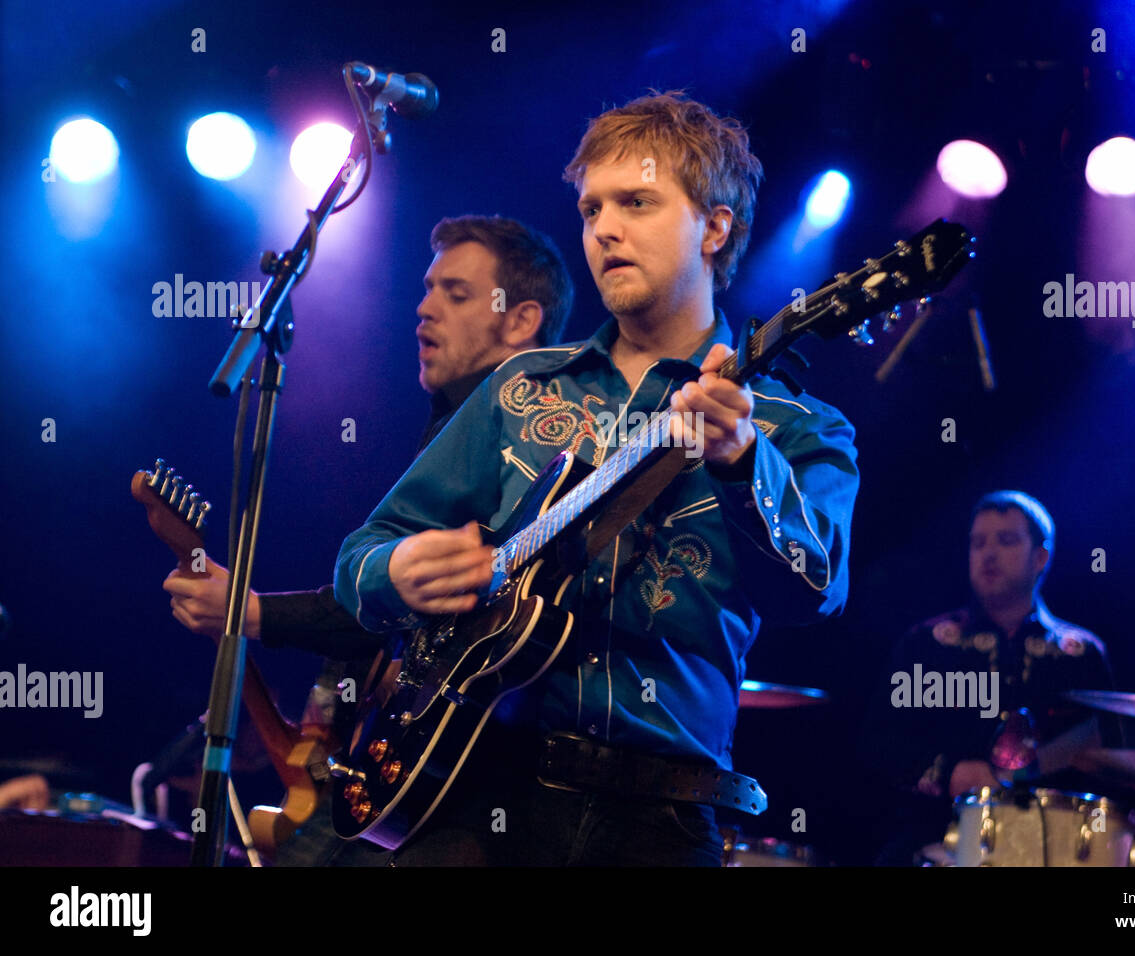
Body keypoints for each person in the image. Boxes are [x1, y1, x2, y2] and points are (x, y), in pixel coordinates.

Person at [333, 91, 860, 867]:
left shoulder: (797, 427)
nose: (604, 228)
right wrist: (397, 569)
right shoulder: (521, 387)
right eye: (590, 209)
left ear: (715, 227)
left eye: (636, 202)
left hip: (661, 822)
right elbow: (363, 553)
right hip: (477, 793)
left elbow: (815, 592)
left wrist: (745, 461)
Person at [161, 215, 573, 864]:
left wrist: (255, 613)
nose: (424, 309)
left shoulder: (531, 443)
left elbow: (409, 608)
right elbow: (389, 602)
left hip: (481, 794)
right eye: (427, 289)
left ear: (522, 320)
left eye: (456, 294)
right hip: (404, 782)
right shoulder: (447, 430)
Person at [874, 490, 1122, 864]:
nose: (988, 554)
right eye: (978, 543)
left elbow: (1113, 765)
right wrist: (949, 772)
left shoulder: (1081, 654)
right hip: (936, 840)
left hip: (1054, 847)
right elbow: (877, 744)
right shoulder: (927, 644)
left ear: (1040, 557)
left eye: (1006, 540)